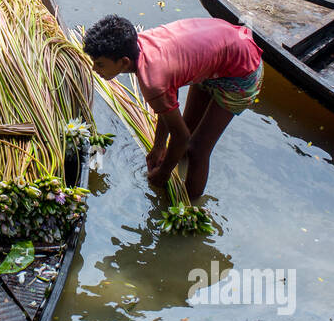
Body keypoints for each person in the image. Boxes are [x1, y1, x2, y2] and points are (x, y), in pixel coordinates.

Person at [82, 15, 263, 199]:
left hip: (242, 70)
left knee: (197, 149)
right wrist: (159, 145)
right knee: (187, 131)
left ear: (124, 62)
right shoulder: (140, 45)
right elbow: (168, 98)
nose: (94, 69)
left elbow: (181, 135)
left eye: (100, 64)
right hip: (219, 52)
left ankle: (190, 205)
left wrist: (164, 172)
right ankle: (182, 171)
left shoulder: (153, 82)